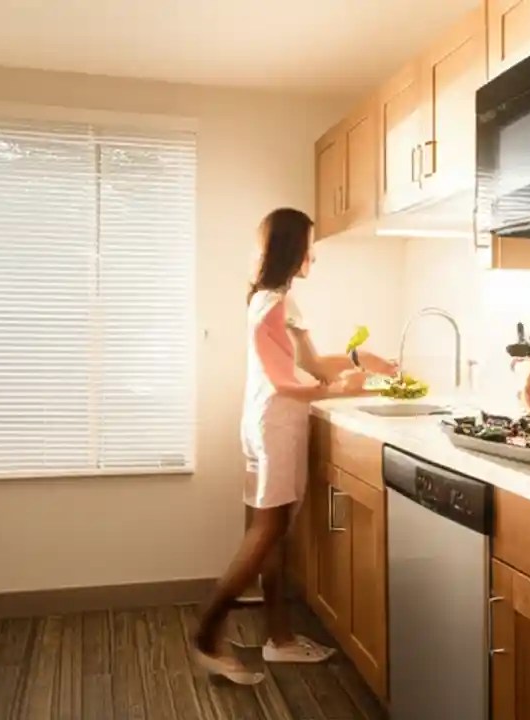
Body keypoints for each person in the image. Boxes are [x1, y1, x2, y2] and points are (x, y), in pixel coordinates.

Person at [192, 207, 398, 684]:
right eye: (310, 246)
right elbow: (288, 381)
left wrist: (356, 361)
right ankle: (207, 632)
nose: (314, 257)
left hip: (262, 422)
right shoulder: (273, 304)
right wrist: (337, 390)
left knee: (269, 533)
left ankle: (280, 639)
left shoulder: (276, 299)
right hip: (276, 425)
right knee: (267, 532)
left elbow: (309, 362)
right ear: (293, 249)